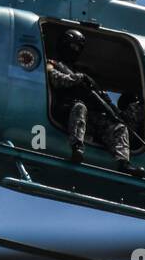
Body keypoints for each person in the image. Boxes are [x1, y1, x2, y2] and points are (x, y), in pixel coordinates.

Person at [45, 30, 111, 164]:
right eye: (72, 46)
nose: (74, 50)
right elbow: (56, 79)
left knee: (117, 125)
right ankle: (77, 148)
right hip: (63, 110)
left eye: (78, 48)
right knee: (79, 107)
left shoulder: (79, 71)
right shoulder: (52, 63)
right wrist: (77, 79)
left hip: (82, 116)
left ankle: (123, 162)